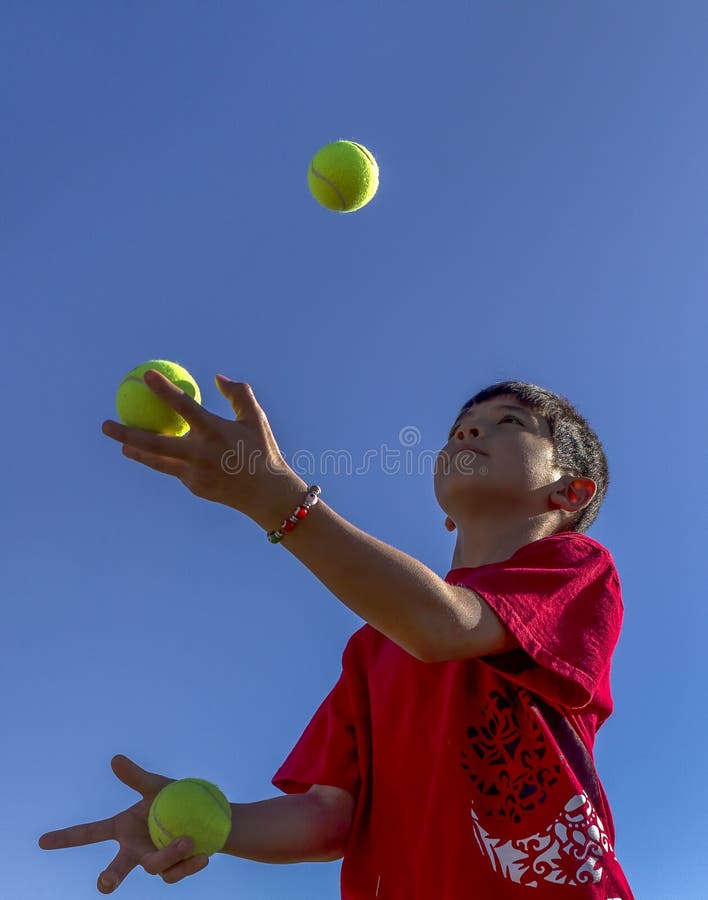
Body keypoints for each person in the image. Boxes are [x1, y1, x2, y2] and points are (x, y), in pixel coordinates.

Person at [39, 371, 635, 898]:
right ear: (445, 511)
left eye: (509, 422)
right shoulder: (373, 646)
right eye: (461, 426)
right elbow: (328, 817)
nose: (469, 433)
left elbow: (442, 625)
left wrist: (275, 497)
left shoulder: (577, 569)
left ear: (569, 491)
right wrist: (208, 822)